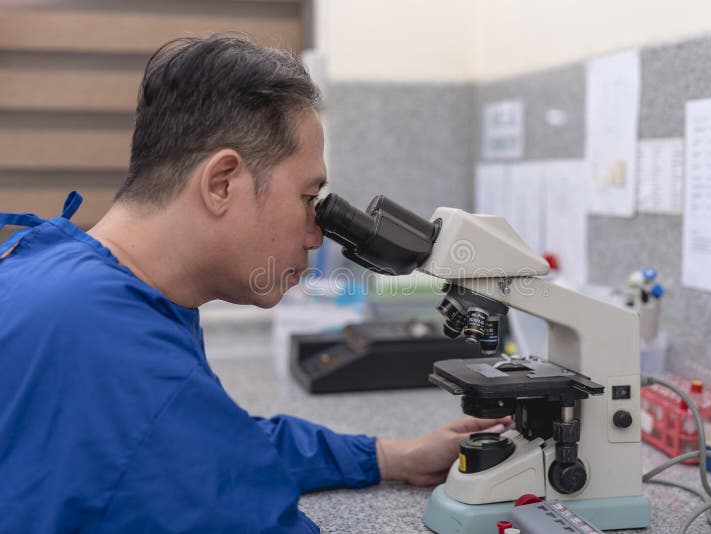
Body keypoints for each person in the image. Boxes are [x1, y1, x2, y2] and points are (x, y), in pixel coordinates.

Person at [0, 34, 508, 533]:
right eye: (309, 197)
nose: (315, 235)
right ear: (222, 182)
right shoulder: (122, 351)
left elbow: (208, 446)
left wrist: (389, 456)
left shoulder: (66, 274)